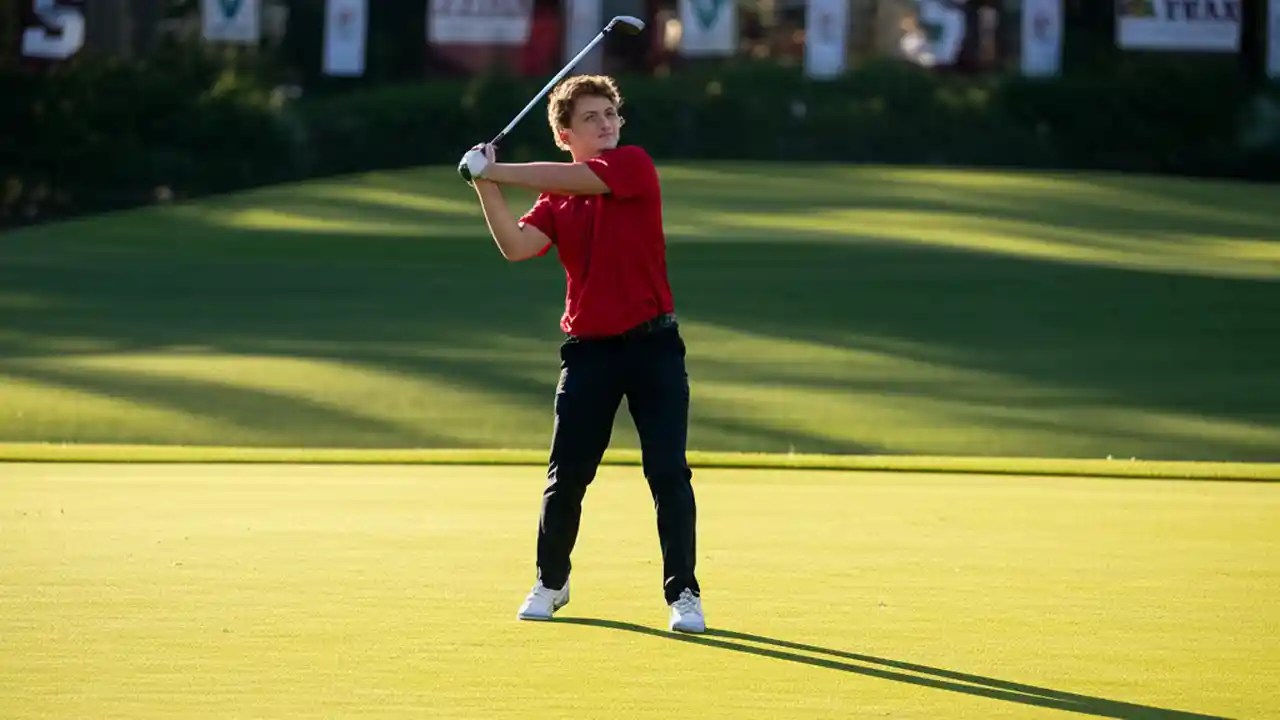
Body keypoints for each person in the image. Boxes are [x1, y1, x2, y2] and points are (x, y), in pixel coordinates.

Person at [457, 75, 705, 634]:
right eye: (593, 118)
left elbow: (578, 179)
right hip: (590, 353)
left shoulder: (633, 166)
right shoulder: (555, 201)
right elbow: (518, 247)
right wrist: (484, 186)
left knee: (668, 472)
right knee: (566, 476)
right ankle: (551, 580)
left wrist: (493, 168)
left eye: (612, 114)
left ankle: (683, 592)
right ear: (565, 133)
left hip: (654, 347)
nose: (608, 124)